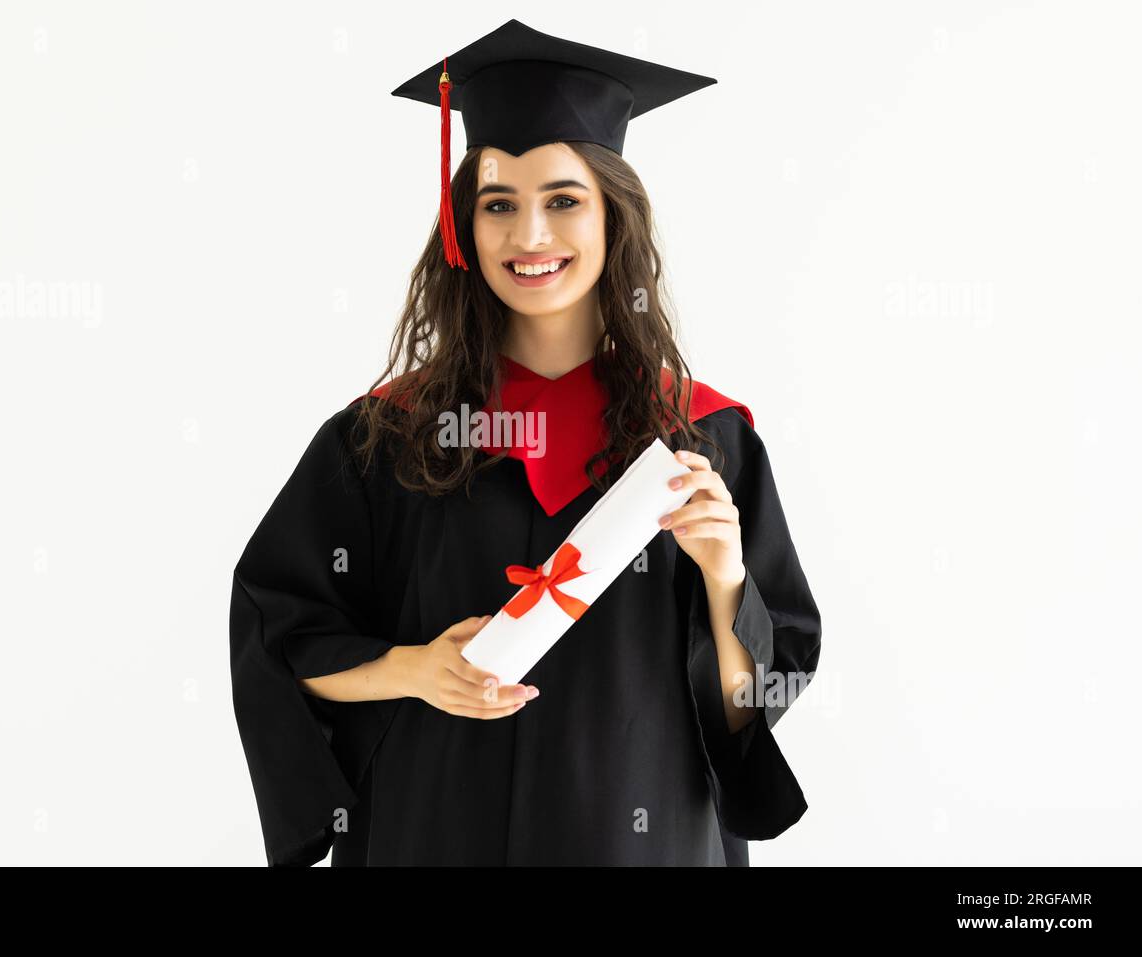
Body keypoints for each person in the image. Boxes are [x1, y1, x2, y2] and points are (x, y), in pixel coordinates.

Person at [230, 19, 822, 866]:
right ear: (463, 227)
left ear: (614, 214)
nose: (530, 234)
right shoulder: (386, 438)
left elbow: (748, 705)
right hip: (430, 835)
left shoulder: (702, 438)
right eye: (498, 203)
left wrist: (727, 579)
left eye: (564, 200)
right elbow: (274, 631)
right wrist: (410, 668)